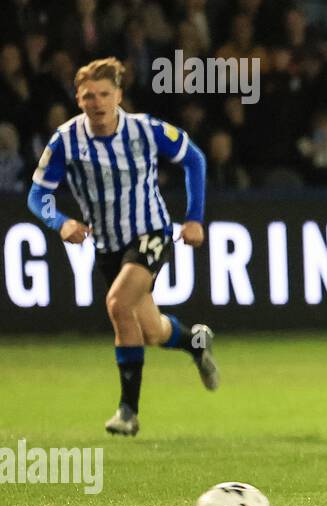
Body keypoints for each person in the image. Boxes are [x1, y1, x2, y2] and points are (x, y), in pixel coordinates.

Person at [26, 57, 218, 437]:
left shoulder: (146, 130)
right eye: (87, 96)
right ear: (77, 99)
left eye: (104, 95)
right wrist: (60, 221)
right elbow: (37, 195)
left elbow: (194, 158)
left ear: (119, 96)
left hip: (151, 233)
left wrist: (193, 218)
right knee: (151, 331)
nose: (96, 103)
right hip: (108, 246)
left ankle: (128, 413)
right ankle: (195, 341)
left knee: (117, 304)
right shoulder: (66, 140)